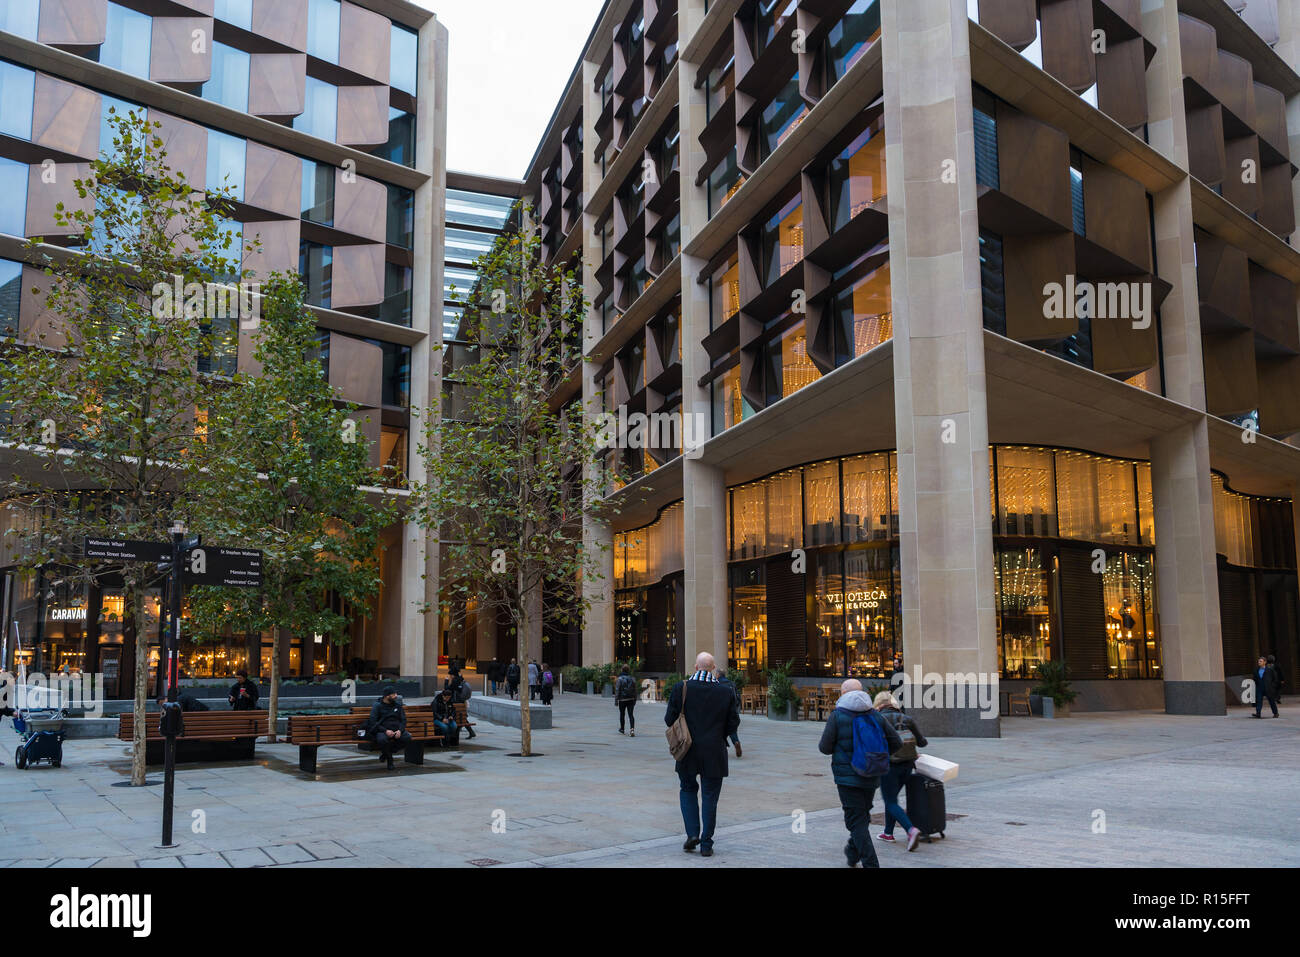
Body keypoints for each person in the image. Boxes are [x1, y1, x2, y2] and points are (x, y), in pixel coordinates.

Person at [818, 678, 902, 868]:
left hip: (847, 778)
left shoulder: (837, 716)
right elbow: (896, 743)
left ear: (843, 694)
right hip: (872, 774)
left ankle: (871, 864)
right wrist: (877, 756)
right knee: (861, 817)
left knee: (856, 822)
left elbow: (824, 747)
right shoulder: (875, 715)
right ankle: (852, 851)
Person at [664, 652, 740, 858]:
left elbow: (669, 718)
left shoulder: (682, 688)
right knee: (710, 797)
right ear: (713, 668)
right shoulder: (725, 691)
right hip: (715, 751)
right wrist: (718, 734)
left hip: (687, 750)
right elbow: (733, 722)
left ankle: (692, 834)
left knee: (687, 789)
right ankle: (706, 843)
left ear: (696, 668)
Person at [873, 690, 926, 851]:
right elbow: (922, 742)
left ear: (878, 705)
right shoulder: (907, 719)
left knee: (890, 801)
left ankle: (911, 830)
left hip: (889, 765)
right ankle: (888, 833)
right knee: (892, 799)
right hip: (908, 764)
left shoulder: (878, 719)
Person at [366, 687, 410, 770]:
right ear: (387, 696)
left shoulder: (398, 705)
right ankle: (390, 760)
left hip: (396, 730)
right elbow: (373, 722)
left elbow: (403, 720)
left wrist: (400, 731)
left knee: (407, 737)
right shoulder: (377, 706)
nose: (396, 696)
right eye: (393, 694)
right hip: (382, 730)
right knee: (382, 740)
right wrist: (385, 731)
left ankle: (386, 753)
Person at [714, 666, 742, 758]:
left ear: (718, 674)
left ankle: (721, 750)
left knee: (719, 731)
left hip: (720, 712)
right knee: (732, 730)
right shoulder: (732, 683)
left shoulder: (716, 683)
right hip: (732, 712)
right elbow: (737, 698)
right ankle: (736, 742)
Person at [614, 665, 637, 736]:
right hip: (631, 699)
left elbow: (617, 690)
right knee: (631, 715)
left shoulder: (619, 679)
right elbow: (635, 690)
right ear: (628, 670)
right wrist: (635, 699)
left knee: (622, 714)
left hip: (622, 699)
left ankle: (622, 729)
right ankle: (632, 730)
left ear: (622, 670)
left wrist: (616, 700)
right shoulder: (632, 679)